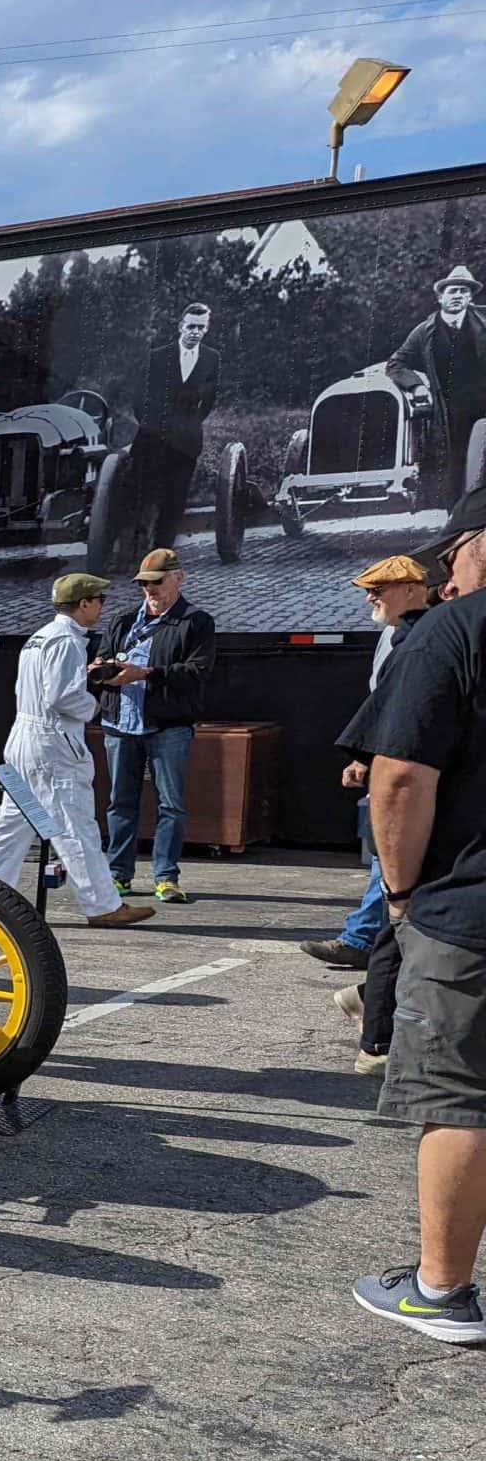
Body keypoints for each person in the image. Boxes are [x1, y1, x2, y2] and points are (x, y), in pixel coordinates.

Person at [346, 481, 486, 1345]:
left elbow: (399, 780)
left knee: (462, 1099)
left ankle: (442, 1291)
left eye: (452, 557)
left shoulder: (453, 629)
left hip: (469, 910)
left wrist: (398, 896)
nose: (445, 578)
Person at [0, 573, 154, 927]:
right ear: (84, 603)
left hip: (24, 738)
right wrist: (96, 702)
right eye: (99, 600)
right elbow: (62, 697)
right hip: (52, 744)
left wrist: (86, 679)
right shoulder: (67, 641)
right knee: (76, 825)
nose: (101, 607)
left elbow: (38, 689)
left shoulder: (39, 638)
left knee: (12, 823)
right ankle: (102, 905)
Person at [304, 556, 434, 971]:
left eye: (379, 590)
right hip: (388, 754)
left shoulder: (424, 635)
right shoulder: (392, 634)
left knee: (393, 847)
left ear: (412, 589)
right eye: (368, 591)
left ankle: (364, 941)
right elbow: (381, 700)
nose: (369, 598)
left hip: (411, 761)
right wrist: (365, 755)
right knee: (386, 848)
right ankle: (371, 942)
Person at [93, 546, 216, 904]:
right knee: (120, 803)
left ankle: (166, 877)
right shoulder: (122, 620)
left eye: (157, 582)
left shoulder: (196, 621)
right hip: (120, 723)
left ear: (178, 578)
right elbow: (102, 657)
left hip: (168, 726)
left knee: (171, 805)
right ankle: (118, 875)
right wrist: (101, 670)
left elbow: (198, 671)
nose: (150, 589)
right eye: (144, 584)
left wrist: (146, 673)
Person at [386, 266, 486, 510]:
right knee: (456, 472)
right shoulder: (424, 332)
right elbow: (396, 364)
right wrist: (417, 387)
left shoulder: (483, 324)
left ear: (470, 297)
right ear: (440, 297)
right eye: (452, 291)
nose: (458, 295)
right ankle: (458, 521)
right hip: (450, 414)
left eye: (464, 291)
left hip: (483, 406)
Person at [130, 302, 219, 554]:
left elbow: (209, 399)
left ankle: (161, 551)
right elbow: (139, 397)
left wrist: (190, 424)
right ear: (181, 326)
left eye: (201, 327)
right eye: (191, 327)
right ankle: (133, 550)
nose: (195, 332)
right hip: (152, 440)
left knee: (175, 500)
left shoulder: (211, 358)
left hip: (185, 444)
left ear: (207, 328)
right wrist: (151, 425)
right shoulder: (158, 356)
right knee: (143, 496)